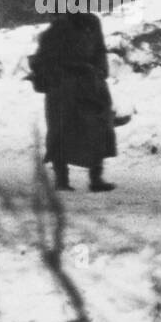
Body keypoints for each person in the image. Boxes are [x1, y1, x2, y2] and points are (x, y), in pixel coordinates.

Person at [29, 10, 117, 192]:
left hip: (90, 83)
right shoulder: (59, 26)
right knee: (61, 130)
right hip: (63, 86)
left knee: (100, 127)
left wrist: (100, 71)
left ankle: (96, 178)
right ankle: (61, 179)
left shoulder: (92, 22)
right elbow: (45, 56)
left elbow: (100, 49)